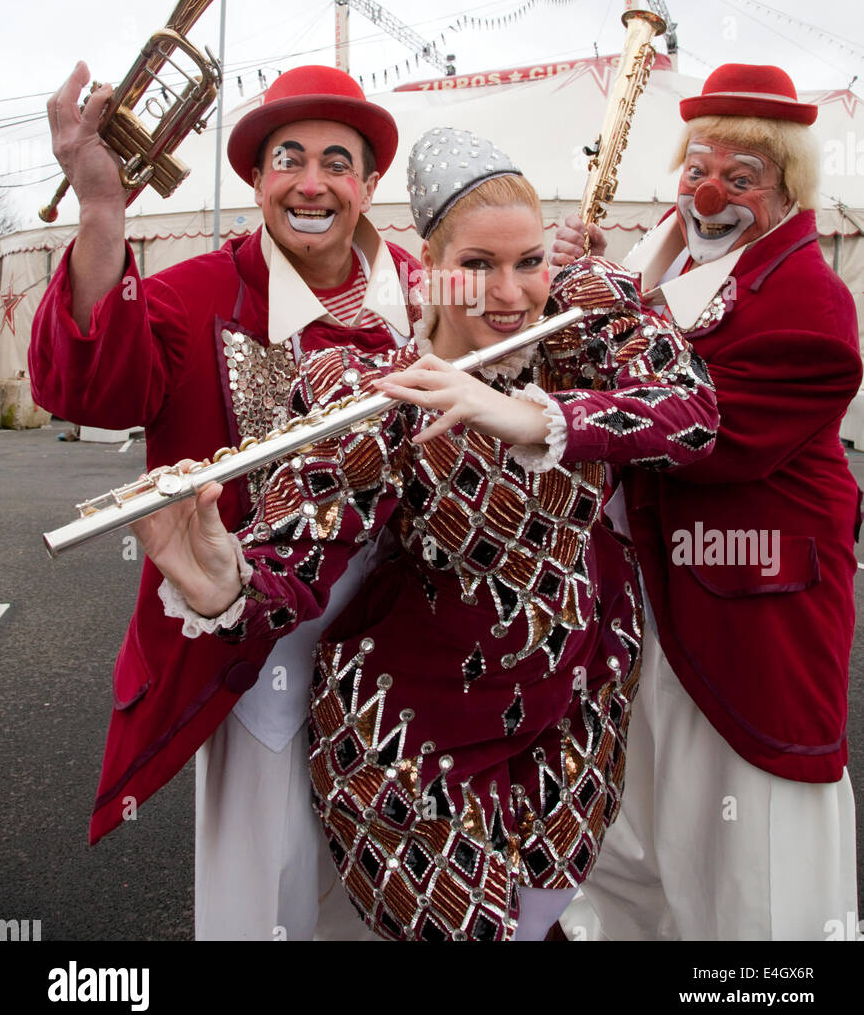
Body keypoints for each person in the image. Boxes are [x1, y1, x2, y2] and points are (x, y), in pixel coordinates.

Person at [133, 126, 720, 941]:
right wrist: (223, 587)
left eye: (529, 262)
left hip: (575, 711)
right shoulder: (372, 389)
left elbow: (693, 420)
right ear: (432, 266)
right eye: (477, 266)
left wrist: (531, 415)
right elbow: (295, 561)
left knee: (544, 920)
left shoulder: (577, 321)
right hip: (413, 740)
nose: (512, 294)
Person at [28, 62, 422, 941]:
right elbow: (89, 386)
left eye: (336, 160)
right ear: (255, 178)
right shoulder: (197, 292)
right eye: (289, 158)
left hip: (410, 653)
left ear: (369, 183)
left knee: (398, 891)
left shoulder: (428, 295)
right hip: (264, 658)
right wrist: (102, 213)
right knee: (267, 890)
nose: (312, 183)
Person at [551, 62, 862, 941]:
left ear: (787, 189)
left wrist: (605, 318)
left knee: (751, 842)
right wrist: (567, 273)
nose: (711, 191)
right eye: (697, 168)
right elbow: (625, 325)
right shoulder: (674, 253)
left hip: (750, 613)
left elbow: (711, 439)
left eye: (742, 176)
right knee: (637, 815)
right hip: (645, 598)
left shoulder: (809, 297)